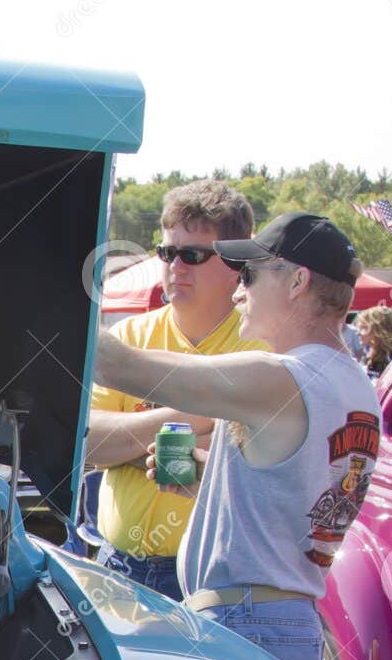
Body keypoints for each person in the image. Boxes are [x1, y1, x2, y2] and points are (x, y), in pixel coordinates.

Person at [93, 212, 379, 660]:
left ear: (297, 283)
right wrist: (210, 480)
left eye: (249, 274)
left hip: (244, 625)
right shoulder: (355, 386)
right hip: (288, 620)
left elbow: (126, 369)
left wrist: (58, 301)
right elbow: (296, 489)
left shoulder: (281, 377)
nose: (237, 289)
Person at [84, 181, 263, 601]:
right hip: (116, 565)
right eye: (166, 252)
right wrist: (199, 421)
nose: (175, 267)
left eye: (193, 255)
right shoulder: (128, 335)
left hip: (213, 579)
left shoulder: (261, 345)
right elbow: (87, 442)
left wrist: (128, 447)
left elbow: (262, 460)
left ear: (237, 261)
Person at [354, 306, 392, 377]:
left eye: (364, 327)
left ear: (378, 330)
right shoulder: (370, 357)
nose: (358, 333)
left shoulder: (389, 359)